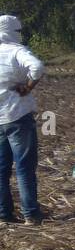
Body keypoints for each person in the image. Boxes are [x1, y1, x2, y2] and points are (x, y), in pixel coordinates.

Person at [0, 15, 44, 225]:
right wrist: (27, 87)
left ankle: (4, 215)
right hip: (17, 115)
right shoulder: (17, 51)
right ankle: (31, 214)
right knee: (24, 166)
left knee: (1, 169)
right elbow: (37, 67)